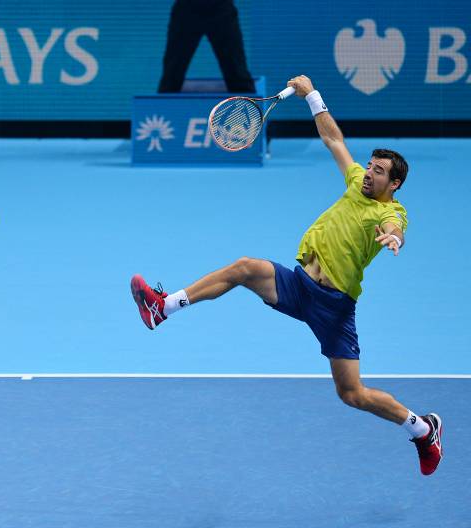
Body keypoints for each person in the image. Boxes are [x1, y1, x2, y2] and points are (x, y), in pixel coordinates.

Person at [130, 75, 443, 476]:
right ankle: (163, 308)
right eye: (369, 166)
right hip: (298, 285)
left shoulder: (390, 212)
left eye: (378, 171)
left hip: (333, 306)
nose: (368, 173)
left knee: (351, 393)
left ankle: (422, 430)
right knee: (245, 267)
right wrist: (312, 94)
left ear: (394, 183)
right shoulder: (355, 183)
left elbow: (397, 226)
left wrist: (394, 238)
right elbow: (334, 140)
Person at [158, 0, 255, 94]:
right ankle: (163, 108)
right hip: (186, 9)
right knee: (172, 73)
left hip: (221, 9)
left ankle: (249, 108)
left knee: (237, 71)